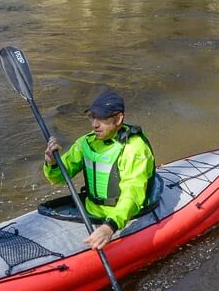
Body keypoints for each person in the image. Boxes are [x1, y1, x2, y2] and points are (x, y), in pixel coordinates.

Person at [43, 90, 157, 250]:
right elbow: (58, 178)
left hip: (121, 216)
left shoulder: (134, 149)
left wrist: (110, 226)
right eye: (92, 117)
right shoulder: (86, 143)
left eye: (102, 118)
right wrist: (53, 163)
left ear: (118, 119)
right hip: (91, 211)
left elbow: (133, 192)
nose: (95, 124)